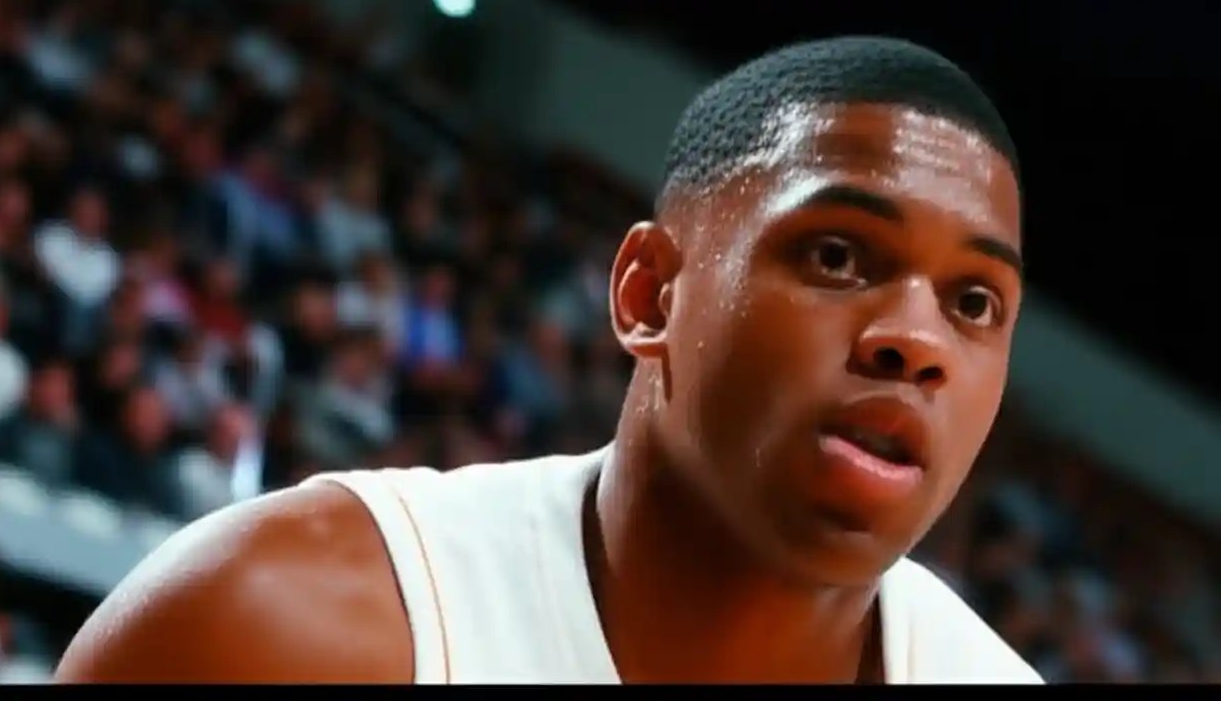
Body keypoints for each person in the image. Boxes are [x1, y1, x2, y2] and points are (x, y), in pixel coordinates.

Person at [55, 36, 1040, 684]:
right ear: (648, 293)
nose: (914, 341)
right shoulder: (274, 629)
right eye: (835, 255)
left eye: (972, 303)